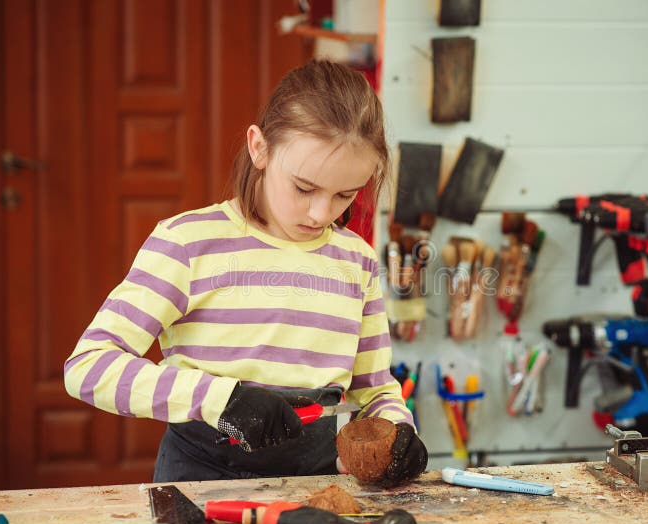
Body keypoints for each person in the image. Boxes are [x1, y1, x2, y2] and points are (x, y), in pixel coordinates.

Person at [63, 60, 428, 486]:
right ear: (260, 148)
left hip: (315, 486)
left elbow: (373, 388)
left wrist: (398, 430)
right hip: (202, 481)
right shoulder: (188, 243)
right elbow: (89, 367)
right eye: (304, 188)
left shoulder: (357, 261)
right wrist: (221, 399)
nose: (321, 213)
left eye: (345, 195)